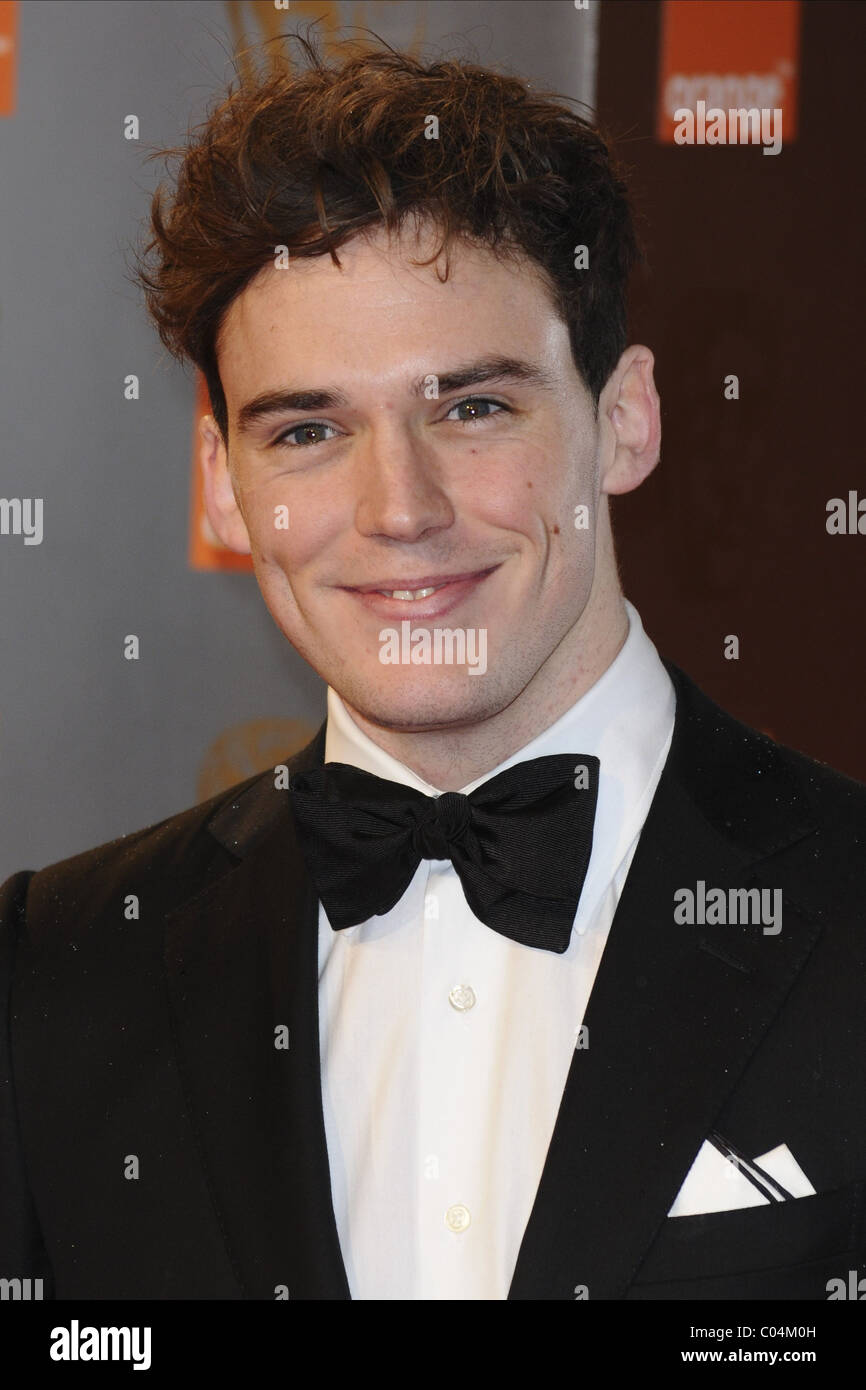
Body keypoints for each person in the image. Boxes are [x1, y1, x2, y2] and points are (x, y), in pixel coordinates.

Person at [2, 37, 864, 1302]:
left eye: (471, 407)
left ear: (623, 419)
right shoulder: (56, 972)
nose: (396, 508)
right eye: (306, 430)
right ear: (221, 488)